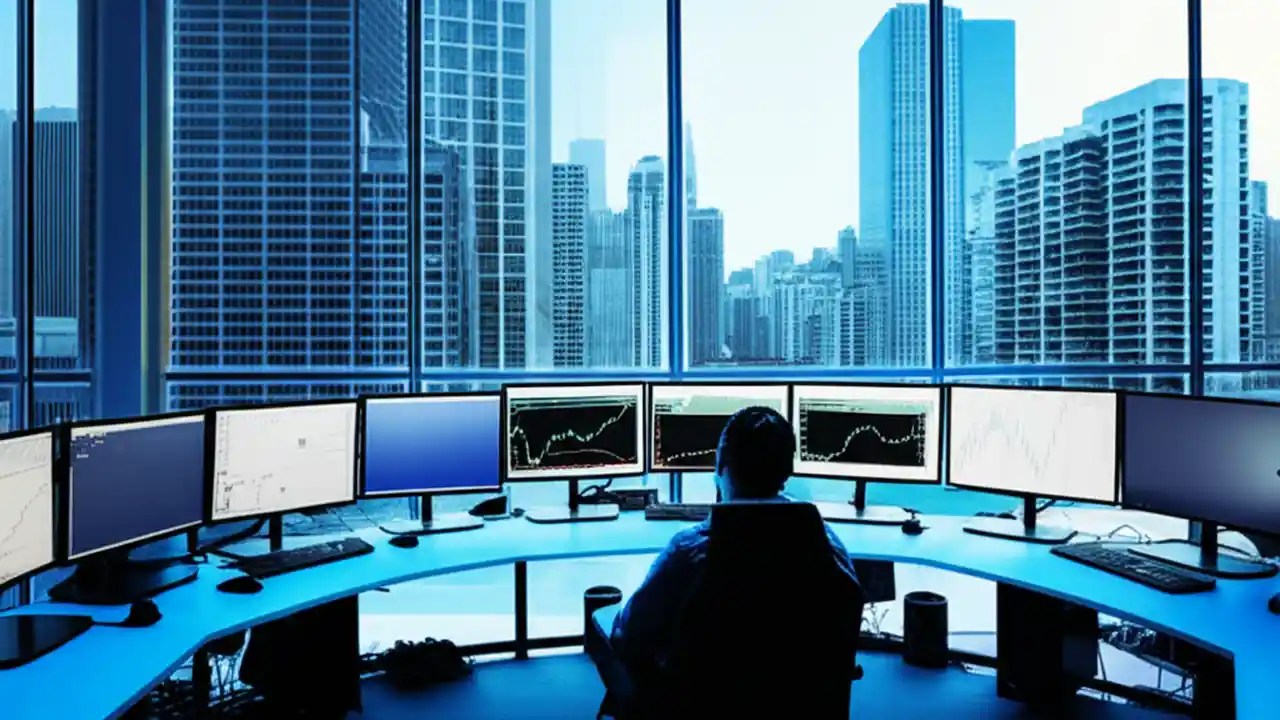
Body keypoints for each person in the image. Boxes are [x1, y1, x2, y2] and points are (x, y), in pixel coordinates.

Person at [608, 405, 861, 688]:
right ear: (788, 470)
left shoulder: (690, 551)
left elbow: (633, 634)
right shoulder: (825, 546)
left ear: (719, 466)